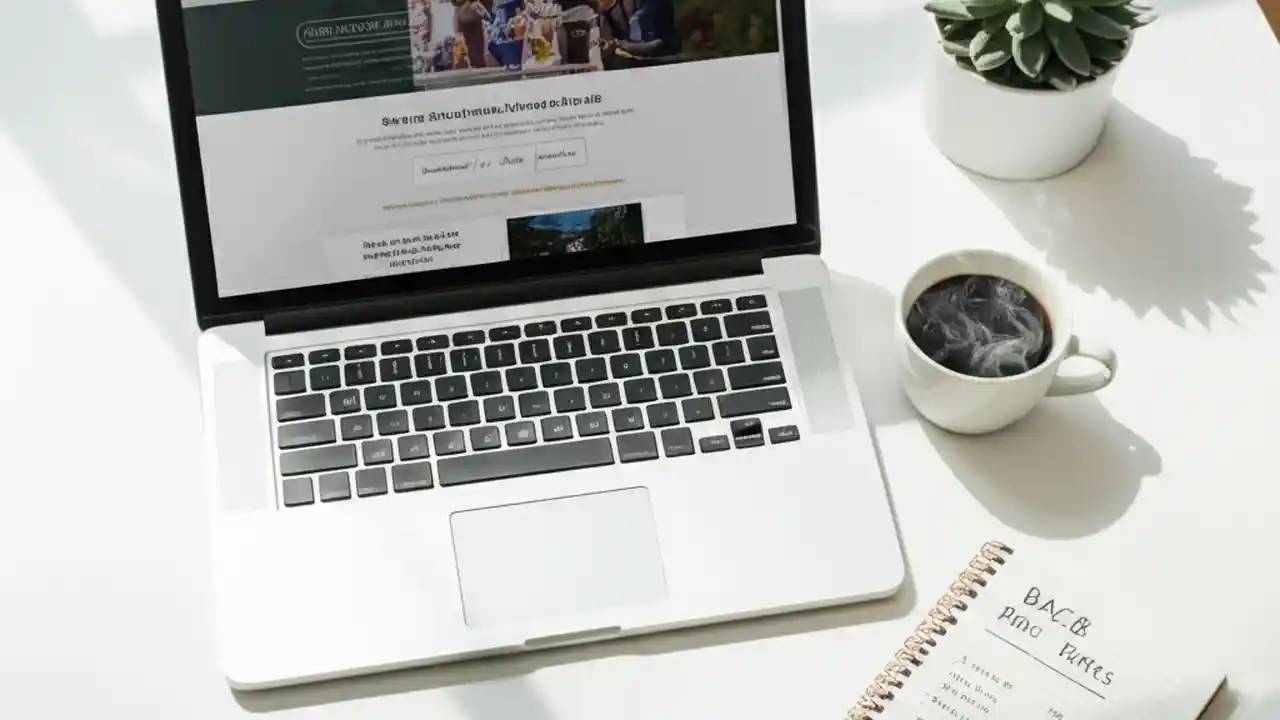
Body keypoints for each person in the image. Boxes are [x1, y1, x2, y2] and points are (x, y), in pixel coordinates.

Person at [597, 0, 680, 68]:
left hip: (662, 62)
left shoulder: (654, 6)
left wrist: (620, 45)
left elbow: (658, 46)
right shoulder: (616, 10)